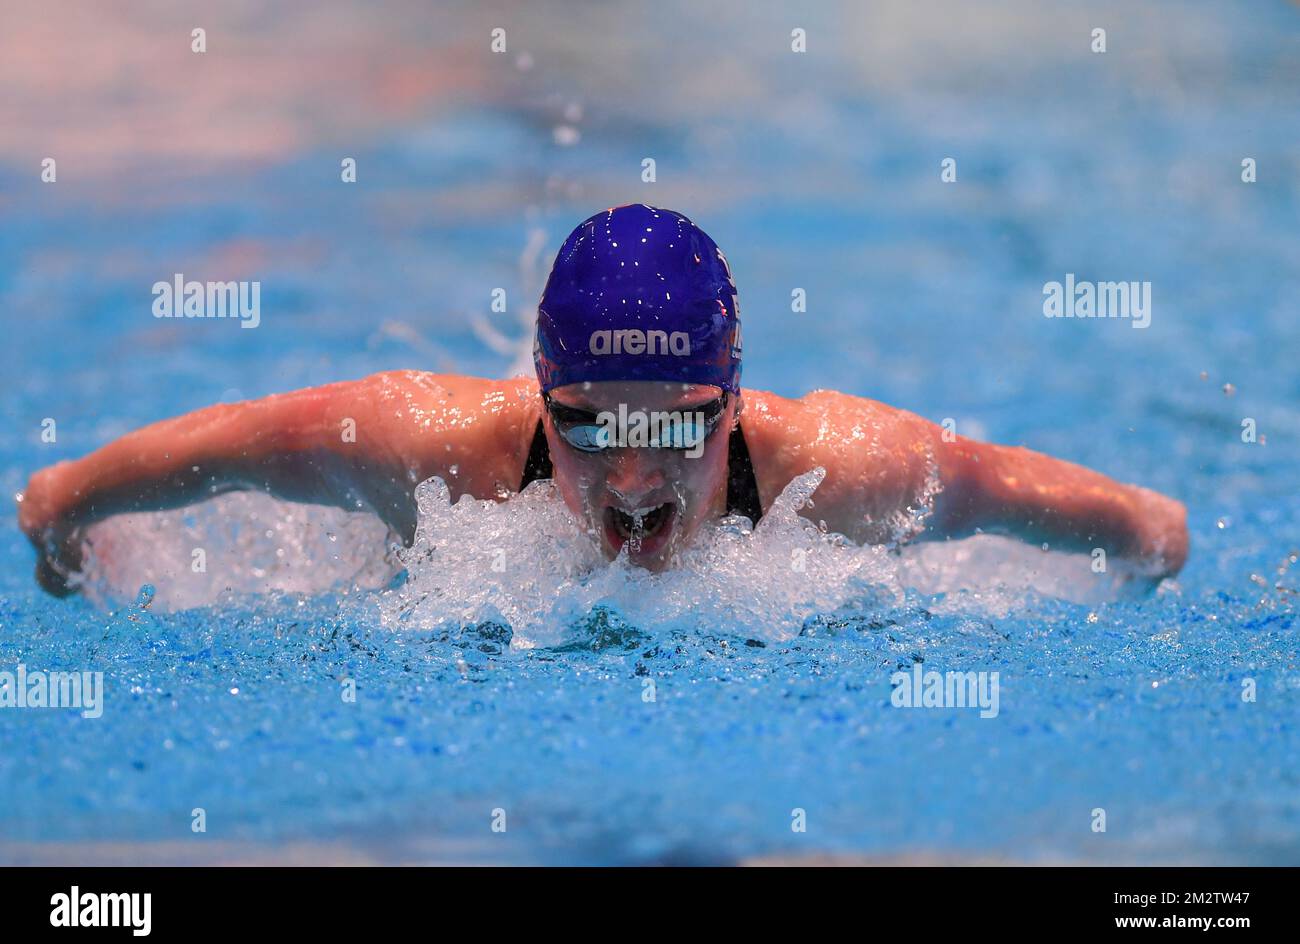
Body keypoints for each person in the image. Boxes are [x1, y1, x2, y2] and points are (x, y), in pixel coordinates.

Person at [17, 203, 1188, 595]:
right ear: (540, 396)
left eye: (674, 423)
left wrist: (1150, 538)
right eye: (587, 425)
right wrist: (64, 515)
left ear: (731, 406)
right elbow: (215, 451)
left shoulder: (844, 472)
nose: (632, 478)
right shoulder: (430, 449)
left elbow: (1131, 524)